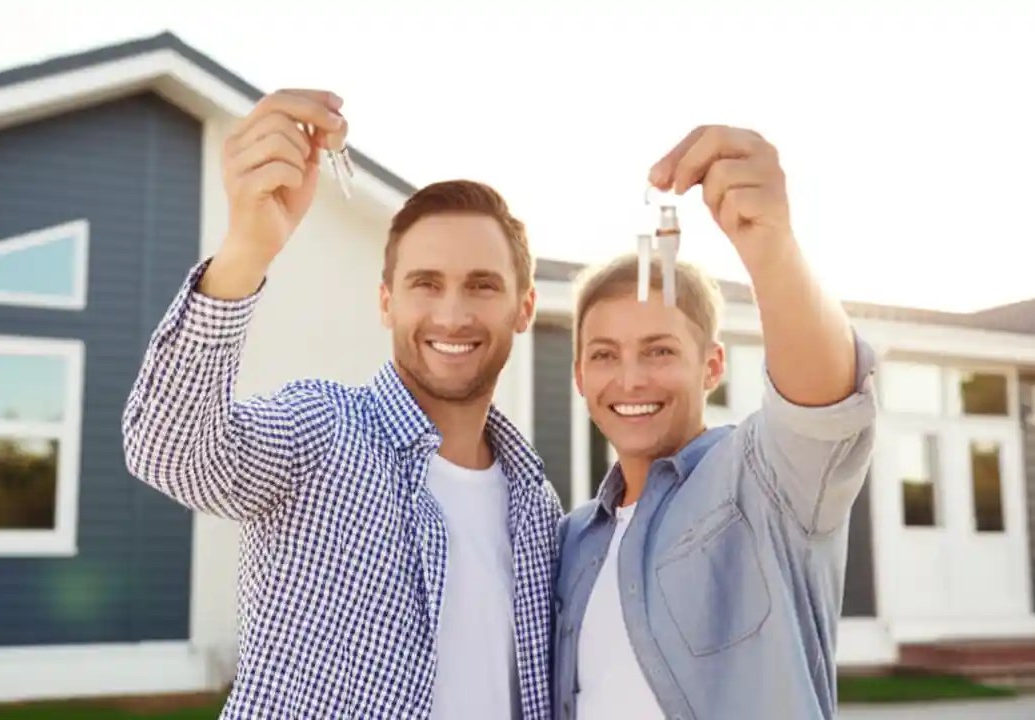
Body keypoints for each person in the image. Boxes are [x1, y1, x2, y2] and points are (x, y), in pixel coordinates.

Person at [122, 89, 562, 720]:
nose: (452, 313)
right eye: (425, 284)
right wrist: (248, 247)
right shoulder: (321, 432)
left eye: (482, 285)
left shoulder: (540, 508)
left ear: (524, 309)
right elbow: (168, 451)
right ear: (387, 303)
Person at [552, 125, 878, 720]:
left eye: (659, 350)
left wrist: (771, 246)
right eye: (605, 355)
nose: (630, 380)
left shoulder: (763, 483)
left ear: (712, 366)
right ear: (578, 377)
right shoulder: (570, 543)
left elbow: (824, 405)